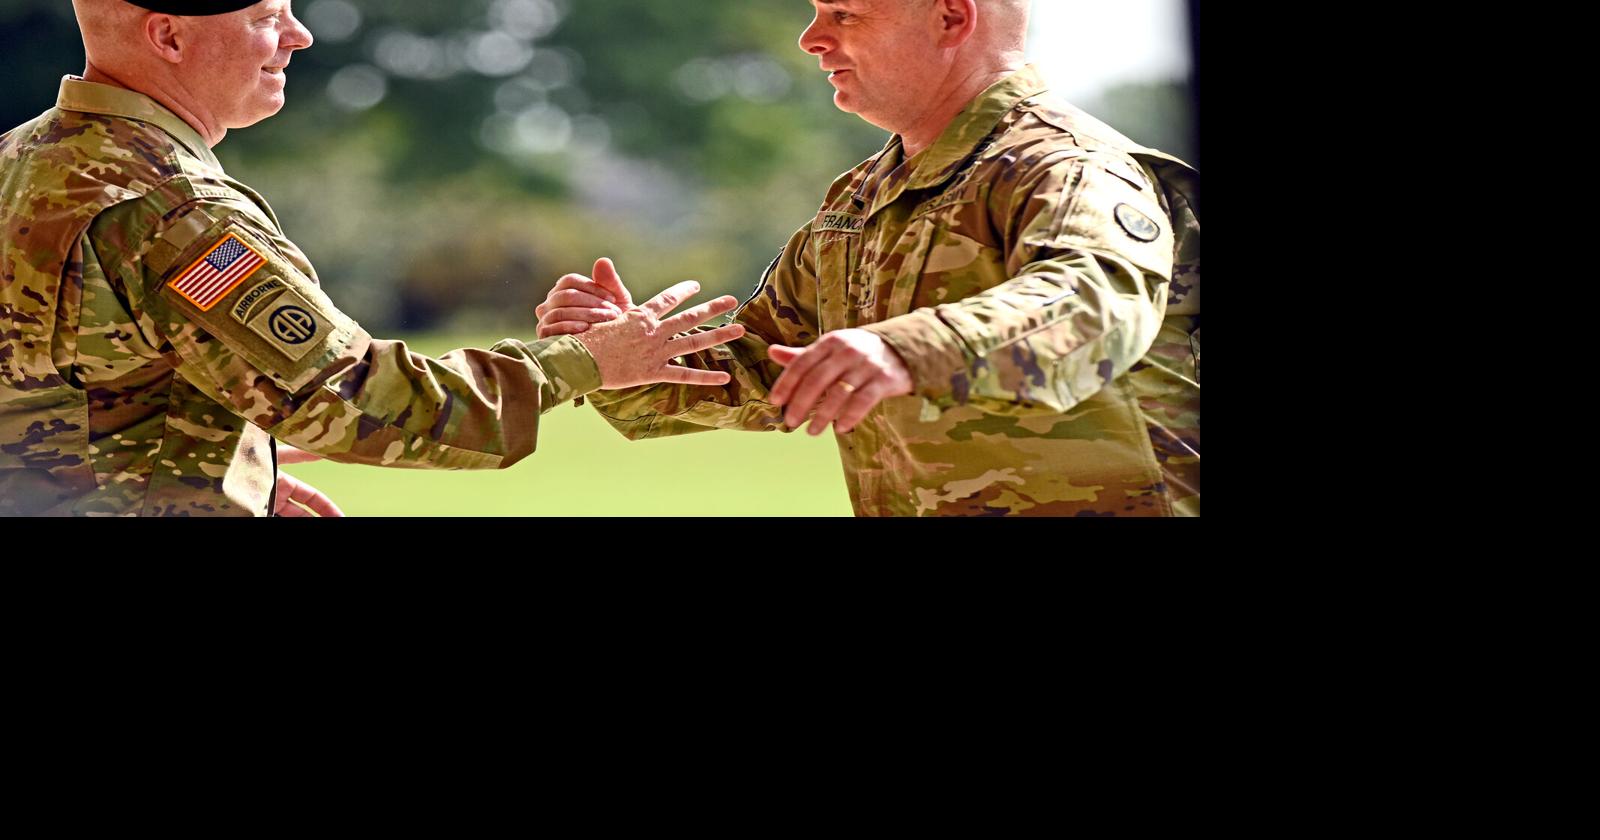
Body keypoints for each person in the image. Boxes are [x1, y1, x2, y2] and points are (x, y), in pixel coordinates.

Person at [0, 0, 744, 517]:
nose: (300, 36)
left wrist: (209, 470)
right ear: (168, 38)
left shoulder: (19, 162)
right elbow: (363, 402)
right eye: (266, 18)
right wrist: (587, 359)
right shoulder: (173, 211)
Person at [536, 0, 1200, 517]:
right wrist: (616, 354)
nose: (810, 38)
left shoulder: (1067, 168)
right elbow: (764, 368)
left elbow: (1095, 305)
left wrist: (906, 350)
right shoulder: (862, 200)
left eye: (844, 14)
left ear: (950, 17)